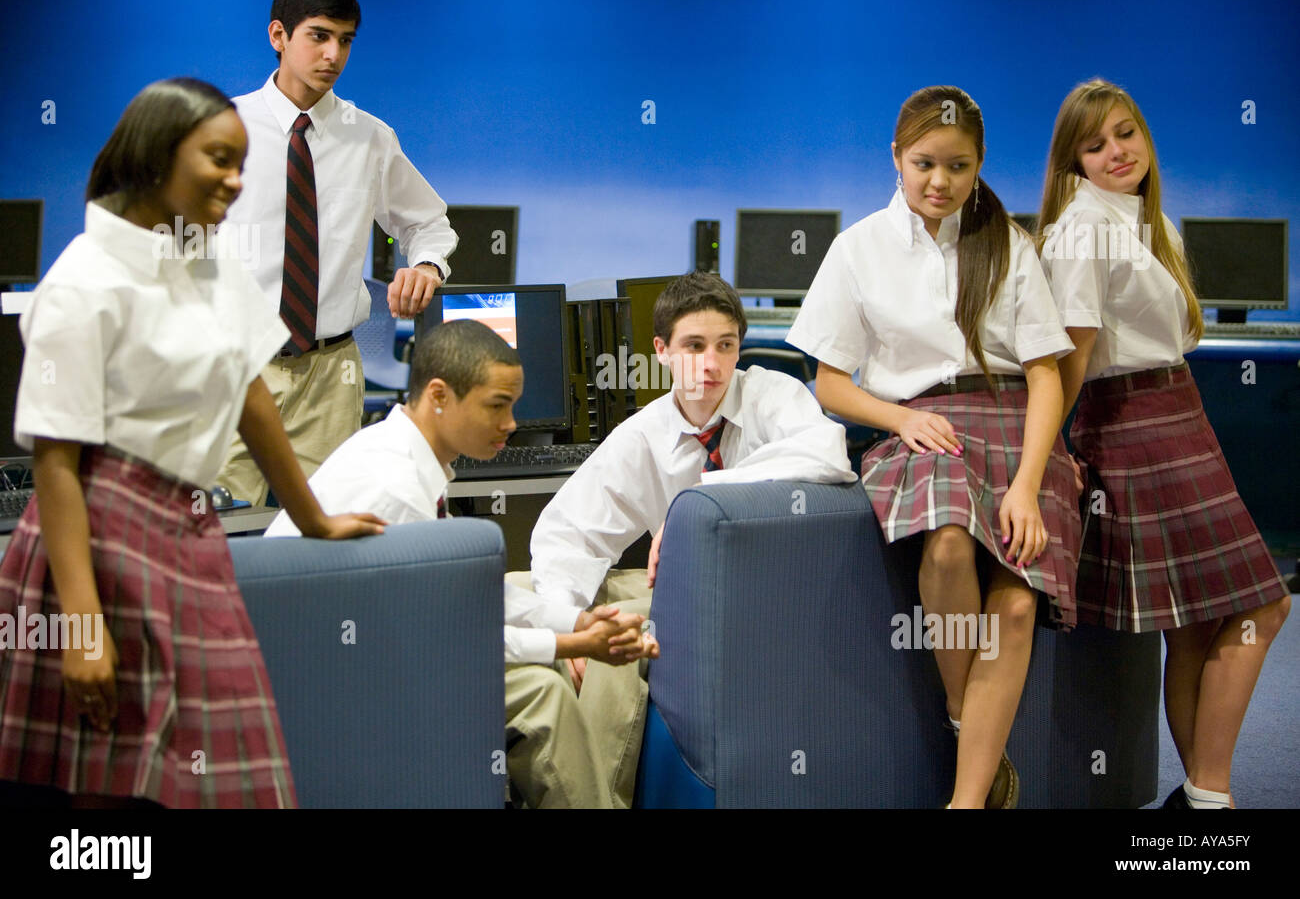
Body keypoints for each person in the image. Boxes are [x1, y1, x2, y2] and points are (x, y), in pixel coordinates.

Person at [0, 78, 385, 810]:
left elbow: (249, 393)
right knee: (107, 788)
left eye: (242, 163)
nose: (236, 182)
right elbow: (57, 466)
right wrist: (82, 630)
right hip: (96, 540)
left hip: (187, 534)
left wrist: (313, 518)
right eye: (218, 159)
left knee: (232, 779)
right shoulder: (84, 280)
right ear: (155, 156)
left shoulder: (205, 261)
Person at [786, 86, 1080, 809]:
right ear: (895, 157)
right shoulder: (858, 247)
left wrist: (1027, 482)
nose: (940, 181)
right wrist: (897, 418)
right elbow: (828, 383)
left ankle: (966, 800)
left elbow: (1045, 374)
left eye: (958, 166)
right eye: (924, 163)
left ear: (979, 166)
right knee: (947, 544)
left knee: (1015, 609)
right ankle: (963, 715)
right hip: (921, 425)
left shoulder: (1007, 240)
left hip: (1020, 429)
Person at [264, 318, 656, 807]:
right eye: (497, 405)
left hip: (374, 642)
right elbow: (451, 636)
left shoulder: (405, 455)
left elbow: (471, 590)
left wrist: (576, 619)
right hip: (333, 676)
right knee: (542, 693)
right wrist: (572, 642)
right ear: (439, 395)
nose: (510, 424)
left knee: (533, 607)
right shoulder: (396, 489)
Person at [1036, 78, 1290, 809]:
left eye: (1126, 133)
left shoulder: (1148, 221)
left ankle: (1202, 798)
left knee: (1193, 626)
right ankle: (1210, 799)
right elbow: (1073, 357)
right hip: (1135, 426)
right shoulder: (1083, 230)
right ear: (1072, 162)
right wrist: (1040, 460)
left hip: (1180, 413)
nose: (1117, 151)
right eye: (1096, 144)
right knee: (1266, 607)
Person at [523, 271, 858, 806]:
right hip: (680, 584)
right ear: (661, 351)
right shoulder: (646, 432)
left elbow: (827, 454)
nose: (711, 364)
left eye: (726, 346)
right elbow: (569, 531)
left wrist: (698, 501)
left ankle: (593, 799)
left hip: (763, 589)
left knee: (626, 633)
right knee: (524, 595)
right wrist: (569, 627)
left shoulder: (771, 394)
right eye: (694, 347)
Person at [217, 0, 457, 505]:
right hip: (237, 368)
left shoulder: (369, 136)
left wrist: (426, 266)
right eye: (319, 36)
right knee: (219, 536)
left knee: (327, 548)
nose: (333, 54)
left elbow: (429, 223)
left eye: (345, 40)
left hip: (332, 375)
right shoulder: (222, 127)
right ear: (278, 35)